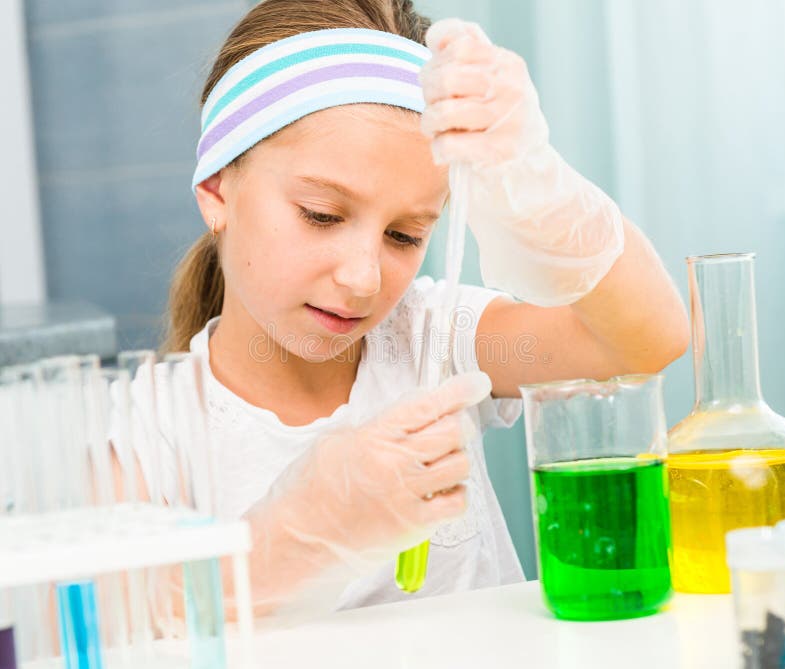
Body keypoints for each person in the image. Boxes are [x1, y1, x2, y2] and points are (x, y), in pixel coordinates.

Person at [156, 0, 689, 620]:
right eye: (322, 216)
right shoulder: (158, 436)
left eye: (405, 236)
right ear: (217, 191)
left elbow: (646, 343)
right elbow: (146, 634)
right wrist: (302, 527)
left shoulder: (436, 338)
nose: (361, 279)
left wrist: (549, 196)